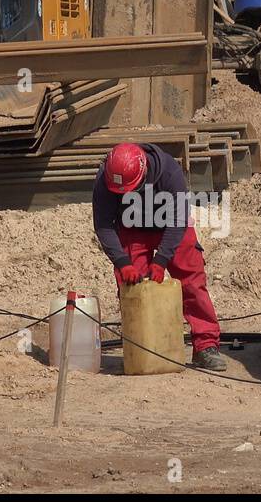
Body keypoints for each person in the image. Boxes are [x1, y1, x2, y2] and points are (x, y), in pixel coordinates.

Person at [93, 143, 227, 372]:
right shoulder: (106, 179)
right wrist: (122, 263)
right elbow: (104, 226)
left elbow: (178, 219)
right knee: (134, 288)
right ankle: (145, 345)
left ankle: (206, 346)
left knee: (192, 283)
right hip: (133, 228)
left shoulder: (169, 172)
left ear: (143, 173)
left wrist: (162, 259)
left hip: (172, 225)